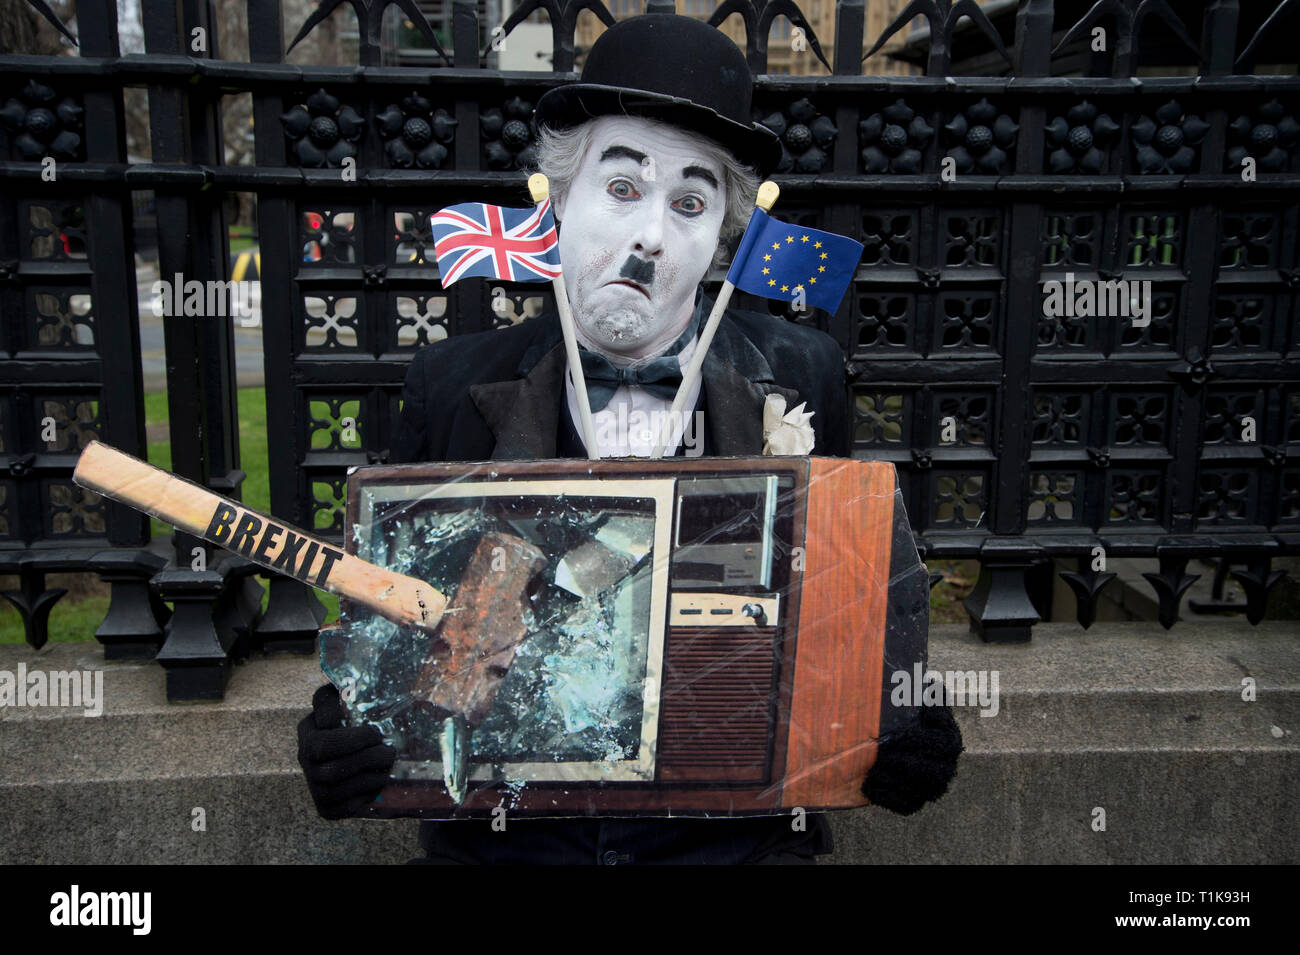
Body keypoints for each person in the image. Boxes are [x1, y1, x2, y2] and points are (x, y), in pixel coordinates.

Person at [298, 13, 961, 865]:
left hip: (728, 845)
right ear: (560, 198)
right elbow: (397, 621)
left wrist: (901, 721)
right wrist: (348, 731)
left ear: (723, 236)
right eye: (621, 189)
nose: (651, 233)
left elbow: (836, 605)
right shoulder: (450, 385)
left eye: (689, 202)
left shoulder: (804, 372)